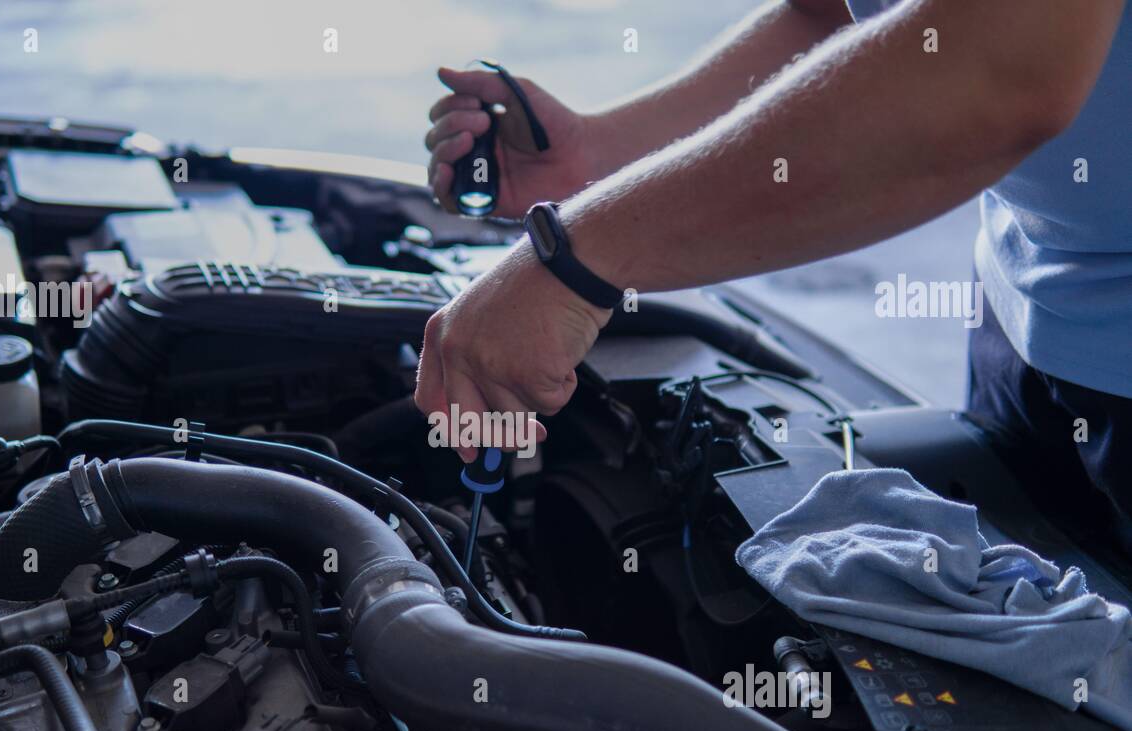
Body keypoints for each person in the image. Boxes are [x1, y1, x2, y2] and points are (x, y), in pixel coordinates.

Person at [416, 0, 1132, 542]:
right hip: (1034, 308)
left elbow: (997, 68)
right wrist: (603, 158)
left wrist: (576, 258)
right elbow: (859, 17)